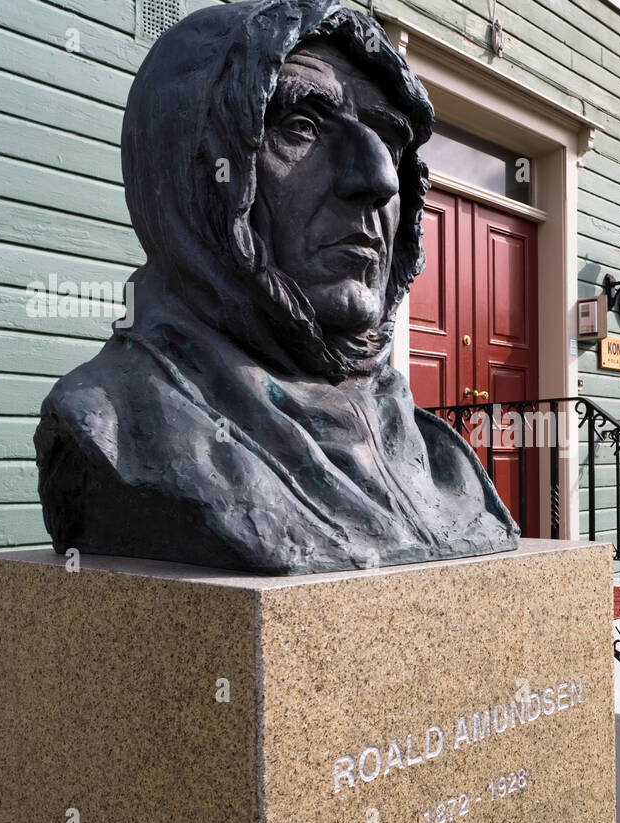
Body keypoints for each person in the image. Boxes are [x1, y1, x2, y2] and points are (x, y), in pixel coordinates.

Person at [35, 0, 518, 574]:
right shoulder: (114, 426)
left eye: (387, 140)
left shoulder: (446, 470)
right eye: (301, 127)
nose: (378, 178)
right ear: (197, 174)